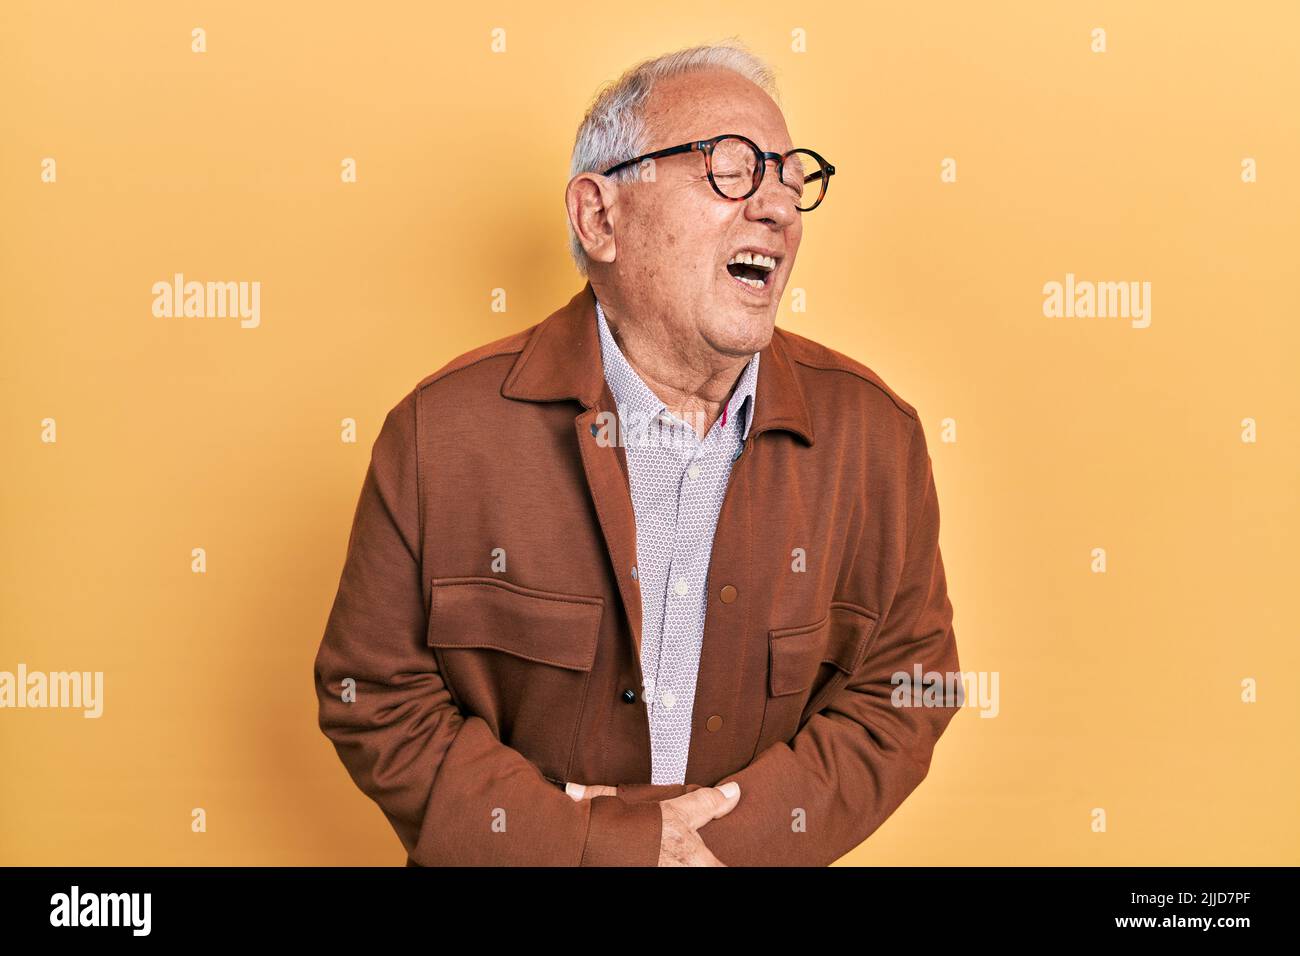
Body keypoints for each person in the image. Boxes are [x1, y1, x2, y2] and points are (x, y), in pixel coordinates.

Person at [314, 42, 961, 866]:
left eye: (791, 180)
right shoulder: (440, 433)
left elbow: (911, 686)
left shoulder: (877, 439)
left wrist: (741, 837)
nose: (778, 210)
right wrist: (591, 845)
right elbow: (371, 694)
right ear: (600, 217)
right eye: (731, 170)